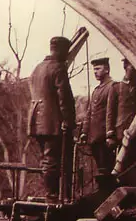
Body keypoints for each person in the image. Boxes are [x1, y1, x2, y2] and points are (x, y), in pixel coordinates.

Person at [27, 36, 76, 203]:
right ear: (62, 50)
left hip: (37, 122)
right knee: (54, 160)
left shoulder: (37, 68)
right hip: (53, 123)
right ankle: (53, 196)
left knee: (46, 159)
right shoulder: (58, 68)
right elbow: (65, 99)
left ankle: (51, 194)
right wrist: (69, 121)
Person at [85, 57, 118, 191]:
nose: (95, 72)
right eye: (94, 69)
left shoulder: (112, 87)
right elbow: (89, 113)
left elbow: (110, 113)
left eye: (98, 69)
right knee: (100, 169)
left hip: (105, 138)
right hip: (94, 138)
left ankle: (107, 194)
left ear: (107, 69)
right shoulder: (96, 90)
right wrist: (84, 133)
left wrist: (110, 135)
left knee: (107, 170)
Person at [115, 58, 136, 143]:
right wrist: (110, 134)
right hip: (122, 130)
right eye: (132, 66)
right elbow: (110, 113)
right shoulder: (117, 87)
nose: (135, 69)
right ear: (125, 67)